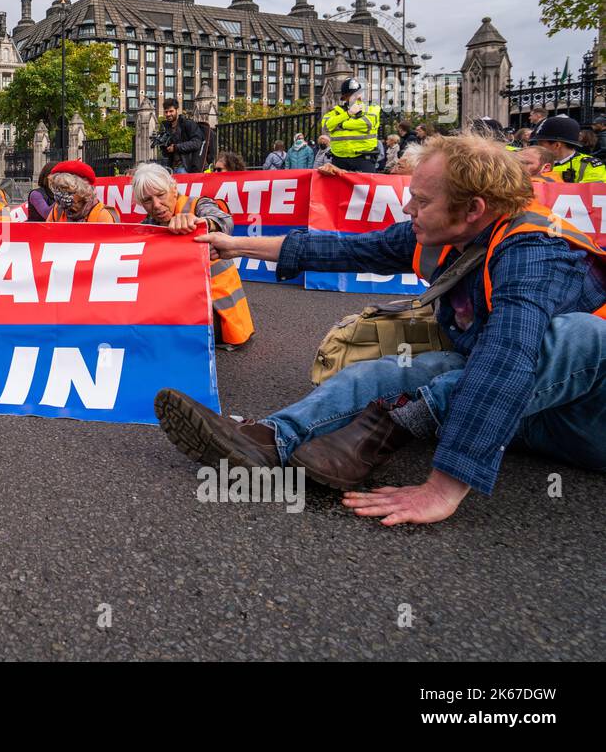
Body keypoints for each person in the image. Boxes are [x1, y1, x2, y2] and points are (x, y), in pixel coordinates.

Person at [155, 134, 606, 526]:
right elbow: (342, 249)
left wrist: (442, 488)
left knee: (581, 334)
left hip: (588, 421)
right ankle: (270, 440)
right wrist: (233, 244)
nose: (408, 207)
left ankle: (396, 425)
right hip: (522, 413)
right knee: (384, 371)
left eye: (422, 201)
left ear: (474, 209)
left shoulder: (533, 251)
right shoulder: (448, 232)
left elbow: (508, 361)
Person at [132, 162, 254, 347]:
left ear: (174, 189)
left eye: (160, 195)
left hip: (220, 314)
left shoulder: (199, 205)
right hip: (187, 309)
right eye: (147, 200)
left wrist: (200, 223)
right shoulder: (147, 225)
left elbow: (224, 222)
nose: (156, 205)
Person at [321, 78, 381, 172]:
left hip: (364, 158)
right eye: (352, 94)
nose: (357, 96)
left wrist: (341, 124)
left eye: (358, 93)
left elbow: (367, 123)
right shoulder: (335, 111)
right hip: (339, 159)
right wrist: (348, 113)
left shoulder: (372, 108)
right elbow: (326, 125)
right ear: (345, 97)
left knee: (365, 187)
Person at [530, 115, 606, 183]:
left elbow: (593, 193)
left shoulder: (589, 166)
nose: (537, 147)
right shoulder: (532, 163)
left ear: (557, 145)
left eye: (540, 143)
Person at [44, 161, 118, 222]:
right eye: (58, 189)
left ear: (83, 191)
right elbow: (46, 234)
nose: (61, 194)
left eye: (66, 189)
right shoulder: (58, 210)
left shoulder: (102, 215)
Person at [156, 98, 206, 173]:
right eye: (166, 112)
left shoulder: (188, 124)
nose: (168, 114)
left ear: (177, 110)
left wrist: (176, 147)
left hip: (186, 166)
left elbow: (197, 143)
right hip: (171, 167)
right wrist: (163, 146)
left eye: (171, 111)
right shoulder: (165, 127)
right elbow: (165, 153)